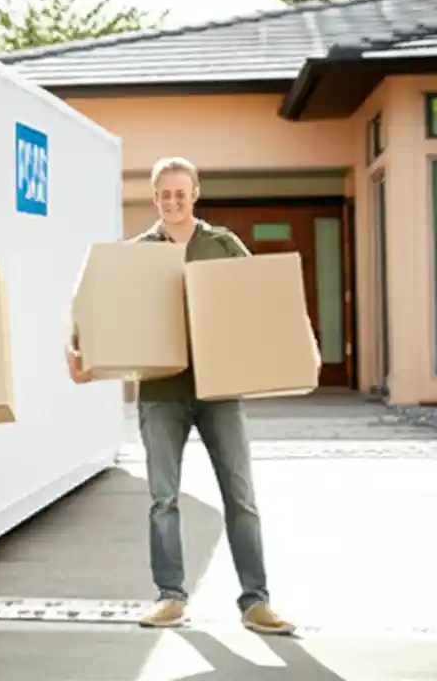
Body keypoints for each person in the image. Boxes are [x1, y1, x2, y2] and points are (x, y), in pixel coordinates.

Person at [65, 156, 300, 636]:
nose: (173, 201)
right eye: (164, 194)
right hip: (161, 392)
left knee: (241, 498)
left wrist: (293, 345)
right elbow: (95, 310)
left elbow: (258, 303)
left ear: (195, 193)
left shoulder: (223, 245)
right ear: (154, 198)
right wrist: (82, 351)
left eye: (181, 192)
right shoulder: (135, 255)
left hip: (219, 389)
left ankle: (256, 602)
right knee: (163, 499)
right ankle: (170, 597)